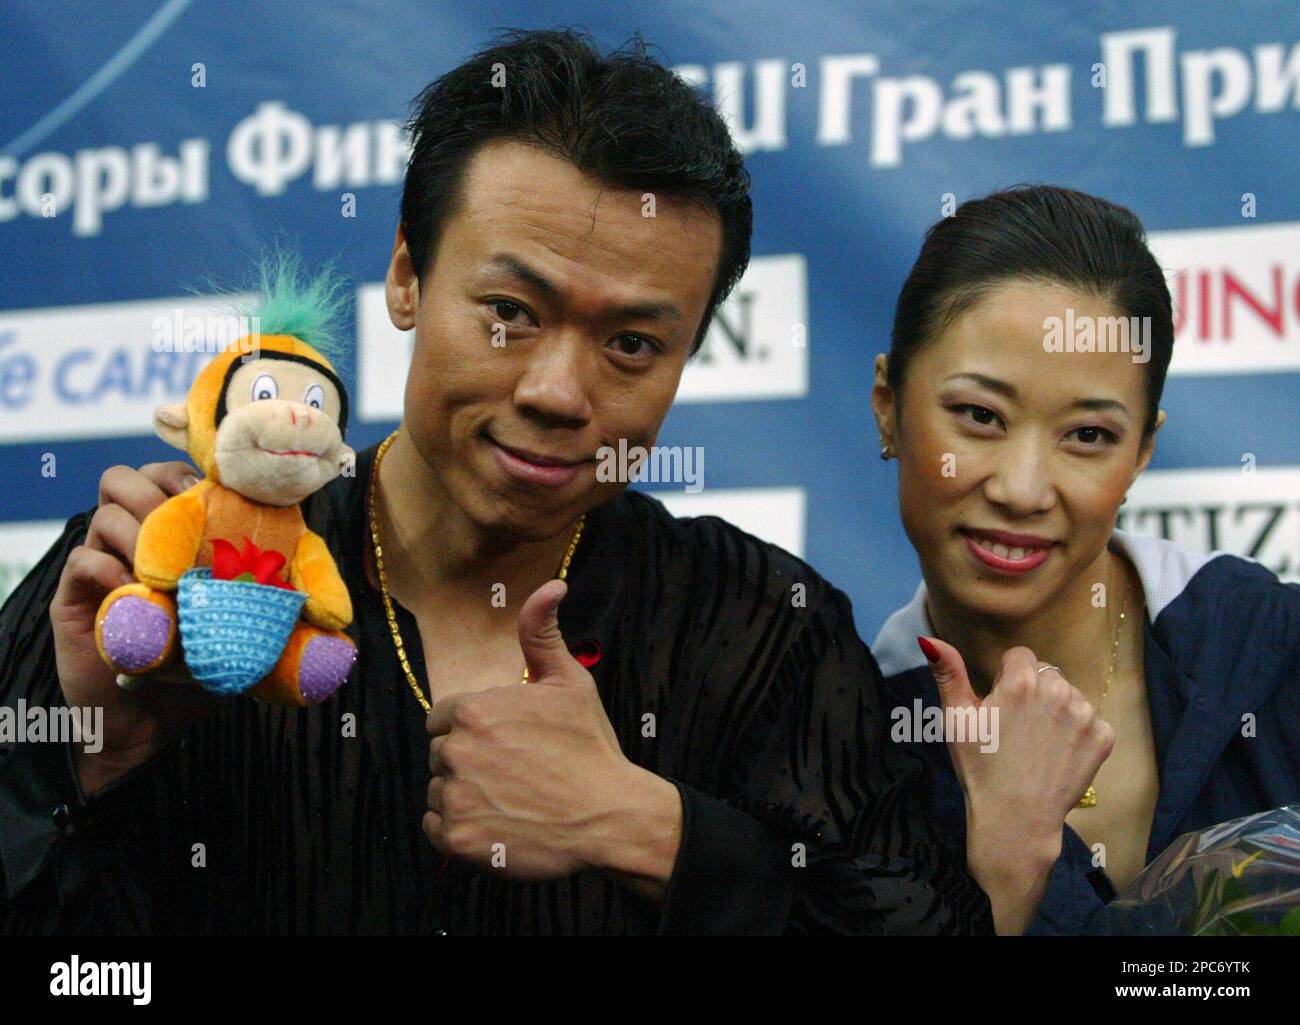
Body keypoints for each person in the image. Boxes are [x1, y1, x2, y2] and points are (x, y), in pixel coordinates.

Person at [0, 29, 1004, 935]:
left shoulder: (763, 629)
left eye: (632, 342)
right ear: (406, 275)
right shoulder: (162, 576)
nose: (560, 390)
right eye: (510, 311)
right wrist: (83, 758)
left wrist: (656, 833)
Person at [869, 185, 1300, 934]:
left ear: (1142, 452)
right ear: (888, 406)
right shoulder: (841, 748)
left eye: (1089, 436)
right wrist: (999, 878)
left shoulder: (1269, 643)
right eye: (979, 416)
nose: (1023, 488)